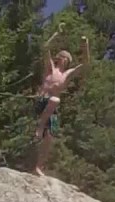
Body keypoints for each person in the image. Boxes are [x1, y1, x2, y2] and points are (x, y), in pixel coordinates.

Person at [30, 25, 91, 176]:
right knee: (55, 100)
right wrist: (57, 32)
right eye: (62, 57)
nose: (64, 60)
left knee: (51, 137)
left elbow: (85, 65)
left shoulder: (67, 74)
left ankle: (39, 166)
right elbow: (45, 47)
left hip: (52, 108)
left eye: (67, 59)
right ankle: (39, 126)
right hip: (42, 101)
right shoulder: (50, 68)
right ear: (58, 58)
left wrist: (85, 46)